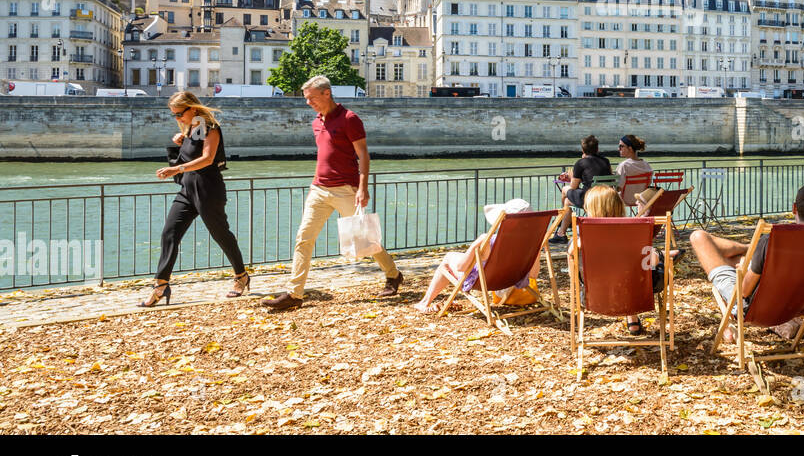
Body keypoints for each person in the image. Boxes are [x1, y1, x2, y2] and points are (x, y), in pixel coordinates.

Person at [262, 75, 403, 311]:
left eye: (311, 98)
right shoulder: (317, 121)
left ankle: (393, 274)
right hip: (318, 189)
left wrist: (363, 188)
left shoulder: (350, 119)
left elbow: (364, 155)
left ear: (326, 93)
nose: (308, 103)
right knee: (303, 239)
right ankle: (294, 294)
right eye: (306, 99)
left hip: (345, 189)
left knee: (366, 239)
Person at [141, 92, 249, 307]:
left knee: (221, 235)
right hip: (187, 189)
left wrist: (176, 168)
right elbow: (193, 152)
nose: (177, 118)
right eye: (174, 115)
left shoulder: (211, 128)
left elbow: (207, 159)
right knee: (169, 233)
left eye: (180, 114)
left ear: (193, 109)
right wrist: (181, 139)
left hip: (208, 189)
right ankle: (161, 285)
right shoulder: (194, 128)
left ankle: (241, 276)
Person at [691, 183, 804, 343]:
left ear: (794, 209)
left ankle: (749, 251)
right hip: (801, 306)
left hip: (758, 310)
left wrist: (743, 270)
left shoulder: (772, 241)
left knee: (698, 237)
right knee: (731, 255)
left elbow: (744, 292)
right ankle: (749, 251)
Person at [569, 185, 668, 335]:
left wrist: (577, 283)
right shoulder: (633, 232)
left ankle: (632, 319)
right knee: (652, 262)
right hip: (634, 292)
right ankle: (632, 319)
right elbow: (651, 263)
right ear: (618, 206)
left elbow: (572, 260)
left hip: (595, 294)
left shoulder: (581, 239)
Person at [412, 199, 537, 312]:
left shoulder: (486, 240)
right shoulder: (532, 243)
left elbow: (461, 267)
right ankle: (425, 302)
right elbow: (533, 274)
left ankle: (424, 303)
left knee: (448, 258)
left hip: (485, 282)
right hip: (511, 279)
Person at [552, 134, 612, 243]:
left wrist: (571, 177)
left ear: (583, 149)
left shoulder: (581, 163)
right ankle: (561, 231)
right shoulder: (606, 161)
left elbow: (573, 187)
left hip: (589, 198)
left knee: (565, 190)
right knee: (567, 201)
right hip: (606, 198)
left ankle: (564, 219)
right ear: (597, 149)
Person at [614, 134, 652, 210]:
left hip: (623, 201)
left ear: (630, 149)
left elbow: (618, 188)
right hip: (640, 200)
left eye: (621, 146)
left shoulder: (624, 166)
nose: (619, 149)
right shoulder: (646, 165)